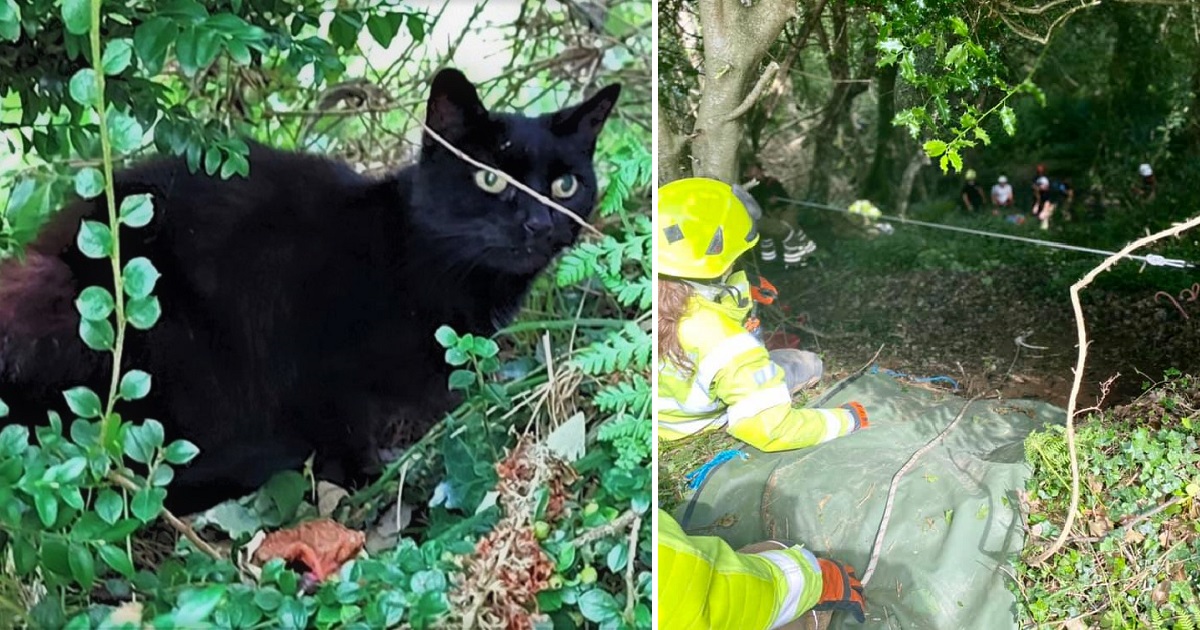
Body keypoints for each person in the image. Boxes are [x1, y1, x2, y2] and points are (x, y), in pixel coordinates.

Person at [656, 176, 869, 629]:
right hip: (708, 416)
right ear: (724, 258)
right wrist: (845, 421)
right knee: (806, 363)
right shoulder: (726, 343)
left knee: (786, 363)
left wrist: (739, 304)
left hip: (668, 419)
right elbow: (768, 429)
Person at [744, 162, 816, 269]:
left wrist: (775, 199)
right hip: (768, 214)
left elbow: (783, 197)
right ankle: (780, 261)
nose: (755, 174)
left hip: (785, 208)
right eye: (751, 173)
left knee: (790, 228)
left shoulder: (772, 182)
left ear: (761, 171)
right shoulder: (750, 187)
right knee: (779, 231)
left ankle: (804, 255)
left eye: (756, 171)